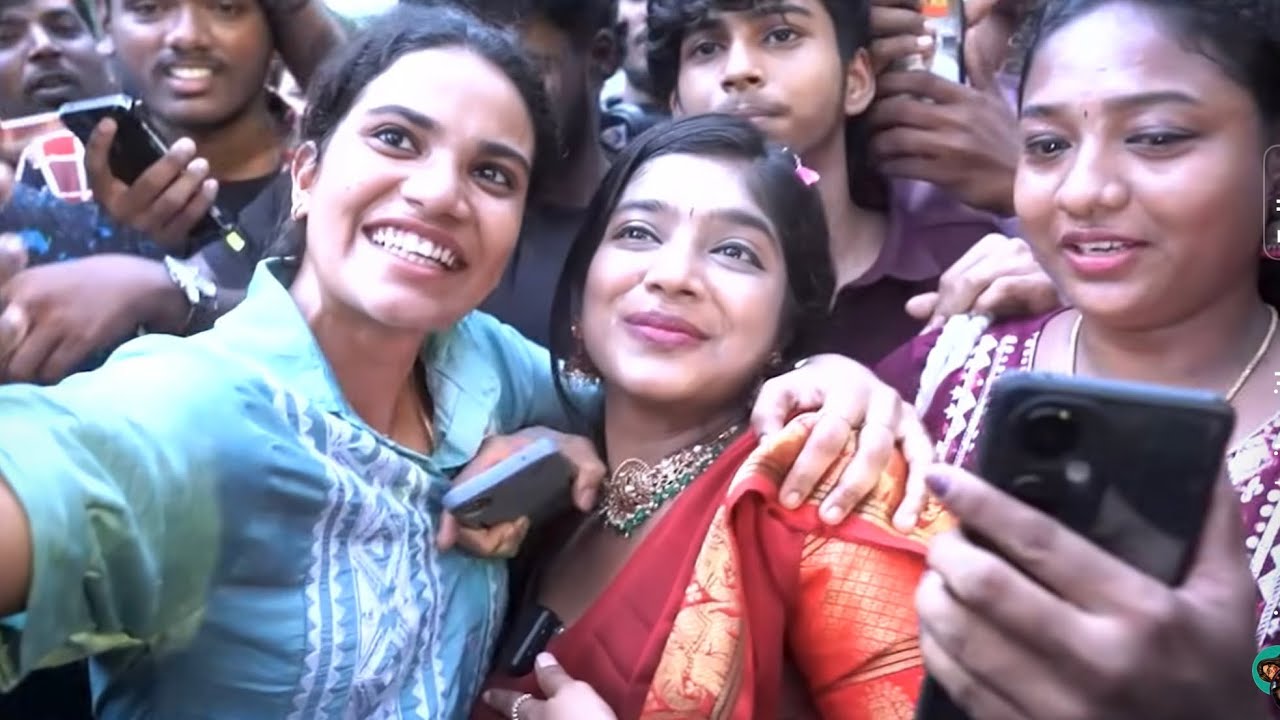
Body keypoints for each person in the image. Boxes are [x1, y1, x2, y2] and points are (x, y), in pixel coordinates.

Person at [0, 6, 935, 717]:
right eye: (396, 139)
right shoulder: (187, 409)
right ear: (308, 169)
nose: (440, 193)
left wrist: (831, 382)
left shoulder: (493, 375)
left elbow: (653, 424)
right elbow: (53, 477)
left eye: (493, 174)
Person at [867, 0, 1280, 716]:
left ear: (1274, 172)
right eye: (1048, 146)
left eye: (1156, 138)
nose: (1086, 191)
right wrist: (826, 383)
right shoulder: (946, 367)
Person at [476, 114, 947, 720]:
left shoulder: (824, 482)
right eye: (639, 233)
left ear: (786, 322)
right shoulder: (558, 497)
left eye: (734, 251)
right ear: (585, 277)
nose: (672, 276)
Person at [645, 0, 1022, 365]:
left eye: (781, 35)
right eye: (706, 48)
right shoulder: (646, 280)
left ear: (857, 79)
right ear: (676, 104)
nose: (739, 70)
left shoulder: (966, 261)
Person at [456, 0, 621, 346]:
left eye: (524, 70)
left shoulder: (647, 229)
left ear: (601, 56)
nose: (491, 97)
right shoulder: (436, 210)